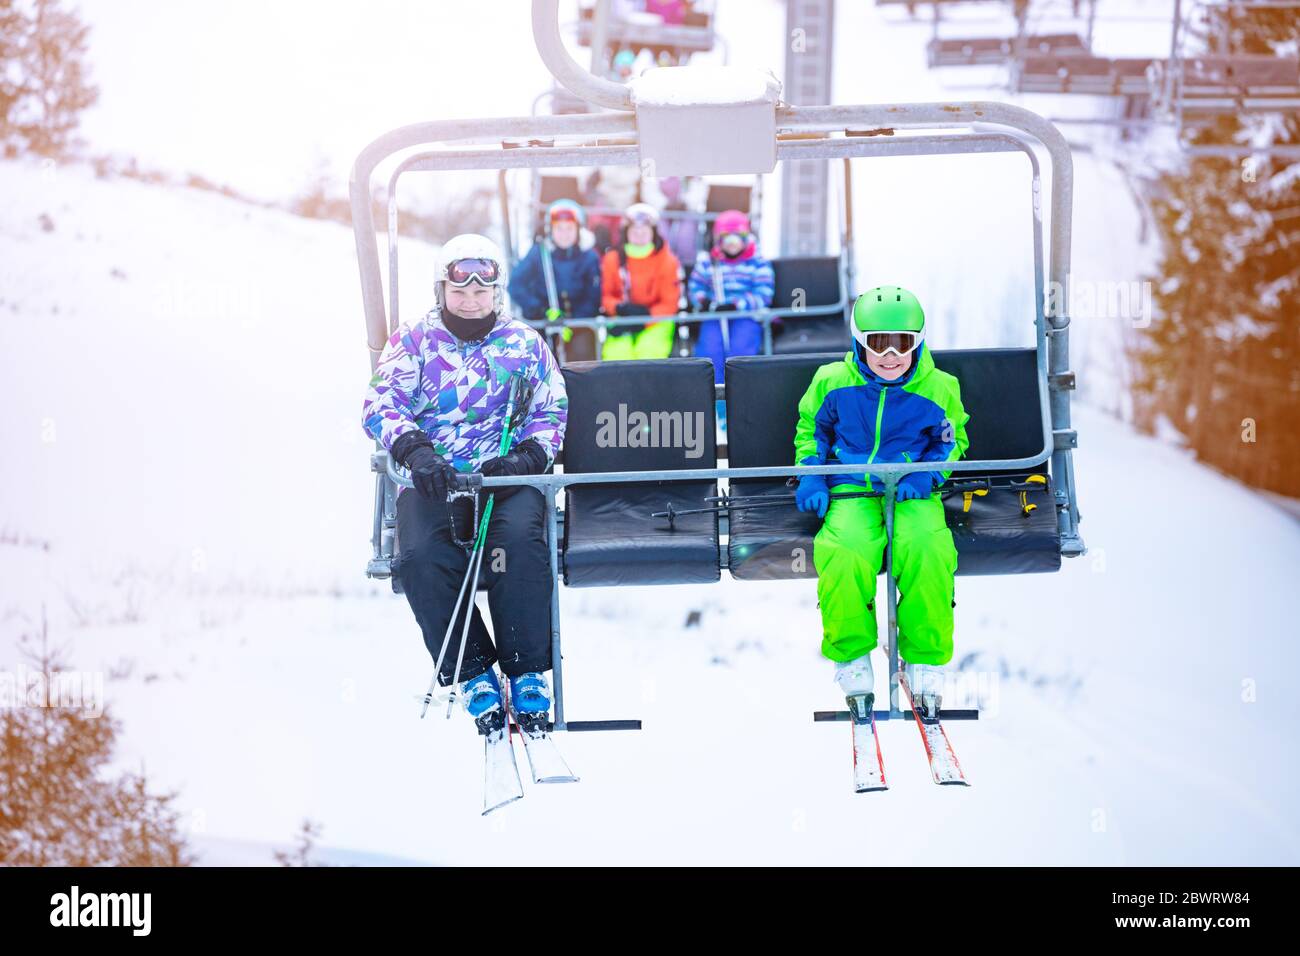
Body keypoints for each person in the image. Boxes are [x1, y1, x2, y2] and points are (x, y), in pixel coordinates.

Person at [361, 234, 569, 735]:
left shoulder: (523, 344)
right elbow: (380, 403)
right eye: (460, 292)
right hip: (436, 479)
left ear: (496, 293)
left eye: (482, 292)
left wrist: (527, 457)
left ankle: (525, 670)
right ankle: (472, 669)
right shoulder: (413, 340)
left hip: (504, 478)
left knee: (520, 546)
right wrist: (415, 450)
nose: (471, 301)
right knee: (419, 560)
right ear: (441, 290)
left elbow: (552, 408)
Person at [792, 286, 970, 718]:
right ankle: (851, 656)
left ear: (918, 342)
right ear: (859, 342)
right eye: (878, 344)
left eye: (902, 343)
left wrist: (926, 474)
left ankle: (924, 657)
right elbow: (811, 432)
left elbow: (952, 441)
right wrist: (812, 476)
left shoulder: (939, 388)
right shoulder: (832, 382)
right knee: (843, 550)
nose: (890, 355)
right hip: (851, 486)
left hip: (911, 491)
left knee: (927, 548)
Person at [508, 199, 602, 362]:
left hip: (579, 325)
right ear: (551, 230)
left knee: (582, 359)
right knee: (541, 358)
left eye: (569, 228)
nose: (564, 234)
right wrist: (541, 310)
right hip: (544, 323)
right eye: (559, 228)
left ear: (578, 230)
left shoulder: (589, 257)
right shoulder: (539, 253)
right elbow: (516, 285)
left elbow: (593, 296)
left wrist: (572, 322)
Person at [689, 208, 775, 385]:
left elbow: (763, 294)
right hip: (716, 315)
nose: (732, 243)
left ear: (745, 237)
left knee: (740, 351)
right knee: (710, 351)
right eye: (726, 238)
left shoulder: (757, 263)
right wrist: (704, 302)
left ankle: (740, 391)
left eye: (737, 238)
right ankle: (714, 395)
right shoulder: (709, 264)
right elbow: (695, 287)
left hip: (745, 315)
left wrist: (737, 306)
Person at [600, 202, 682, 360]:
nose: (639, 234)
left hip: (657, 320)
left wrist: (646, 317)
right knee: (616, 356)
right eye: (634, 230)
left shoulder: (667, 261)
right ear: (626, 233)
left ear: (653, 232)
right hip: (622, 318)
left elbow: (670, 303)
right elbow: (606, 296)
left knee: (648, 354)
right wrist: (618, 308)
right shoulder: (613, 259)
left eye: (644, 230)